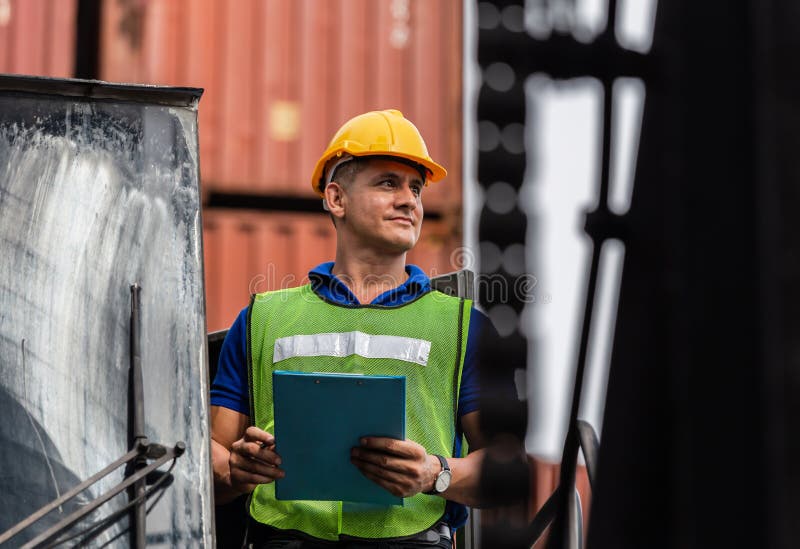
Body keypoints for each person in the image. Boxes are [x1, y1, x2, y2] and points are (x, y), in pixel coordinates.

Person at [210, 109, 504, 548]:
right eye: (389, 182)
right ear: (336, 199)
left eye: (417, 188)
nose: (409, 200)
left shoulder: (463, 327)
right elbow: (214, 453)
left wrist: (436, 473)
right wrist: (236, 469)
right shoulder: (261, 318)